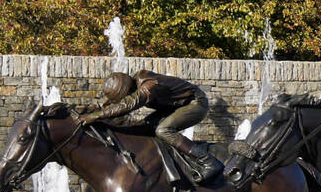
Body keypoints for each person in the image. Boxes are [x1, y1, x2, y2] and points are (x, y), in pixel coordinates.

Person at [79, 70, 222, 181]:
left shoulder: (148, 84)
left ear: (128, 91)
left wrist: (96, 116)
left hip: (195, 103)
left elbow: (129, 104)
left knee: (163, 130)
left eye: (124, 97)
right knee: (143, 127)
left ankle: (208, 161)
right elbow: (104, 103)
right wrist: (82, 113)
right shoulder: (131, 84)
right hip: (172, 108)